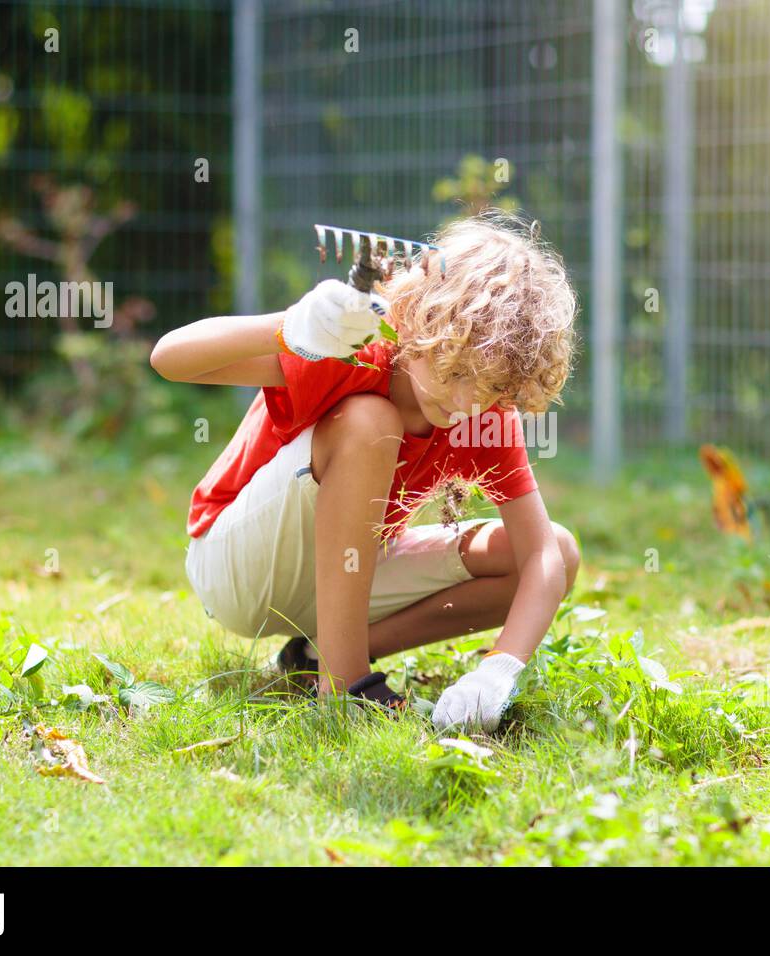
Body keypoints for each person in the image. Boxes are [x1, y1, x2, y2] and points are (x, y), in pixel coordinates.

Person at [150, 213, 579, 731]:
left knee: (561, 549)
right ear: (418, 319)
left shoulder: (484, 415)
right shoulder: (355, 350)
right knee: (371, 420)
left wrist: (500, 666)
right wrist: (290, 330)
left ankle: (315, 657)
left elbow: (541, 558)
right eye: (457, 371)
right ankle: (347, 686)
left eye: (489, 388)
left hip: (347, 577)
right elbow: (169, 358)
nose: (467, 403)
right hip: (241, 572)